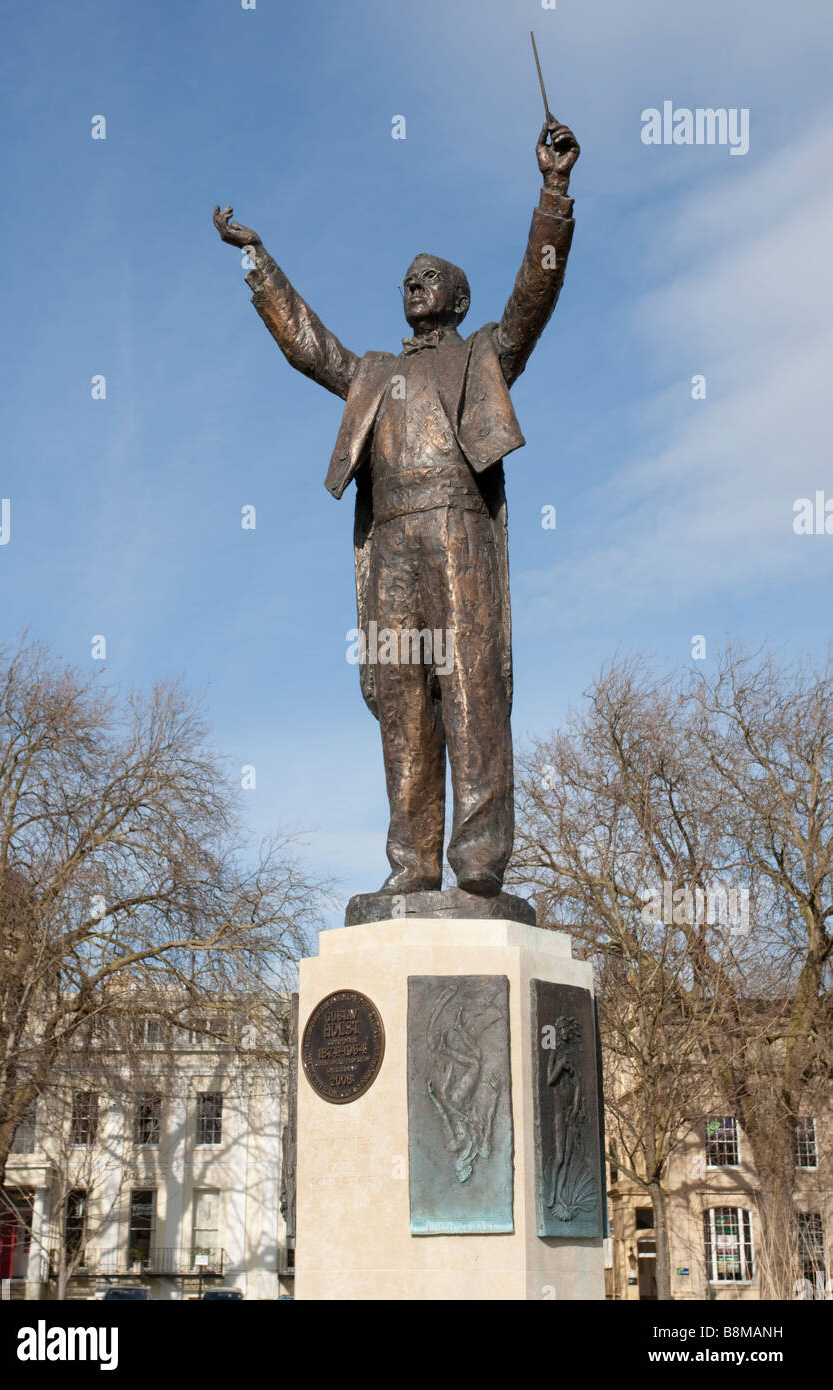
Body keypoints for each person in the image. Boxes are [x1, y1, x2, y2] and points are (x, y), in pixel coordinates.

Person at [213, 119, 579, 897]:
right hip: (389, 547)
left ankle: (478, 863)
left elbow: (534, 297)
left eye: (428, 276)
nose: (412, 283)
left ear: (457, 296)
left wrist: (553, 193)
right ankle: (411, 862)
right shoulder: (373, 372)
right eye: (406, 277)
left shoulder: (484, 352)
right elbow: (307, 345)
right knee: (401, 703)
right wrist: (258, 258)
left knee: (473, 695)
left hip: (459, 533)